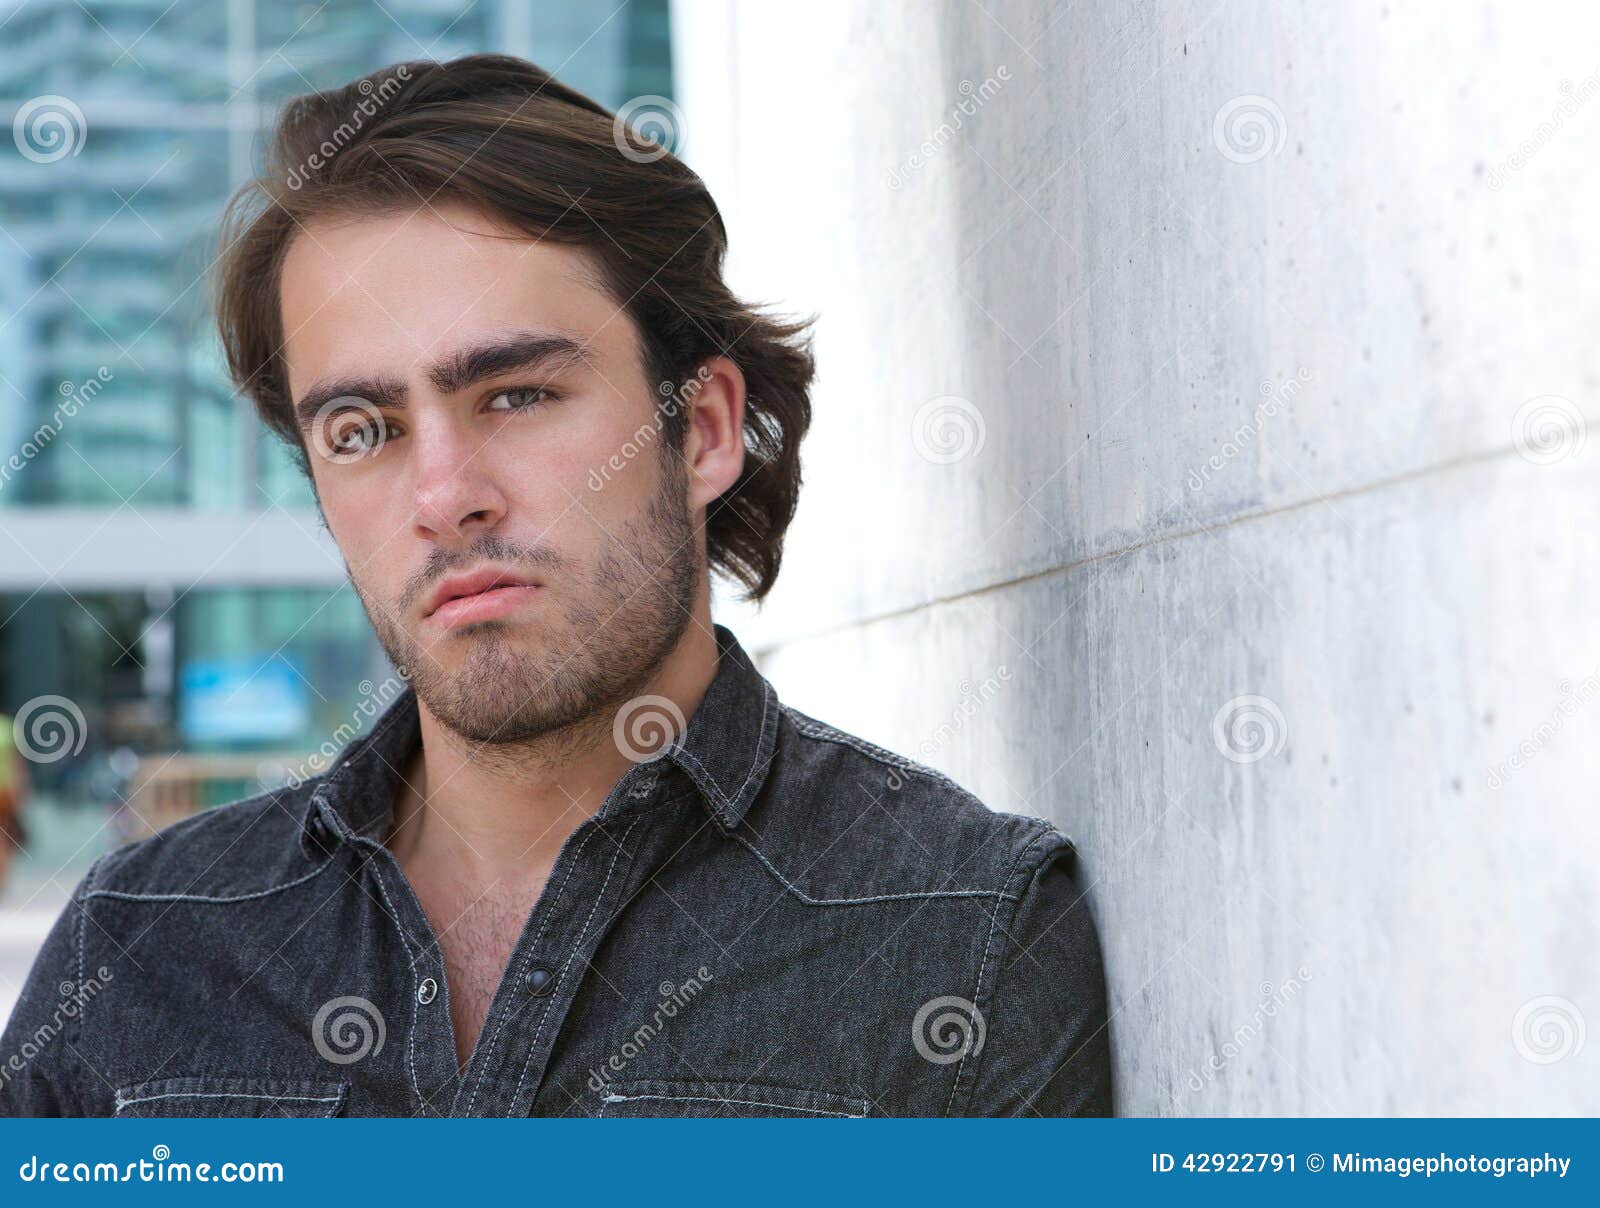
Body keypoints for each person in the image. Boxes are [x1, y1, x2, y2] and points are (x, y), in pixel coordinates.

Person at [0, 55, 1110, 1117]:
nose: (444, 495)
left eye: (518, 394)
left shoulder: (958, 929)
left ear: (705, 429)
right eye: (361, 429)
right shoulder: (141, 945)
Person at [0, 713, 29, 897]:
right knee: (4, 839)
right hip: (6, 790)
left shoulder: (8, 727)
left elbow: (17, 764)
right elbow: (18, 765)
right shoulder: (7, 727)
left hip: (5, 792)